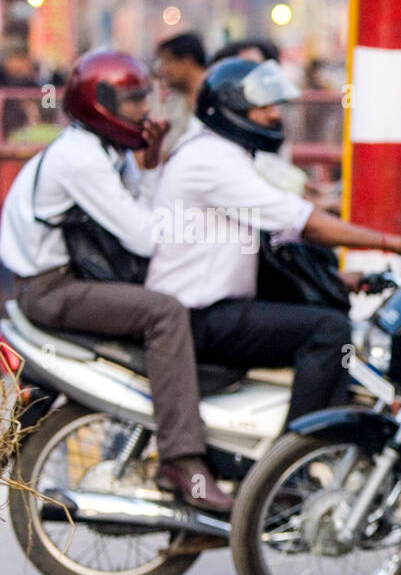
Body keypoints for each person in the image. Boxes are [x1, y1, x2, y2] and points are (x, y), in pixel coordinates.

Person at [0, 50, 232, 513]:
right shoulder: (81, 158)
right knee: (166, 312)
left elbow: (143, 211)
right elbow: (146, 236)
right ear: (99, 102)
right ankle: (183, 458)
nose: (144, 111)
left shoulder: (105, 149)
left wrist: (149, 163)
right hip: (50, 290)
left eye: (144, 99)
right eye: (132, 102)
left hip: (67, 277)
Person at [146, 58, 401, 425]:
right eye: (261, 106)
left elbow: (274, 244)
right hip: (199, 317)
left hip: (213, 309)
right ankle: (297, 456)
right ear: (229, 110)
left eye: (273, 105)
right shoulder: (212, 160)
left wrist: (340, 278)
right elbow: (300, 221)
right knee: (329, 331)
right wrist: (393, 244)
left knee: (326, 317)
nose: (272, 115)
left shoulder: (223, 154)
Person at [155, 32, 207, 158]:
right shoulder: (172, 101)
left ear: (187, 61)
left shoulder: (216, 97)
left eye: (167, 61)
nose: (163, 70)